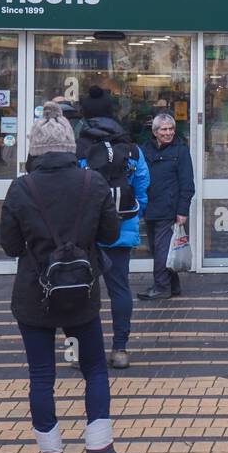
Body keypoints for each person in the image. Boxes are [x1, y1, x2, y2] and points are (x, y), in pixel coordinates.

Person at [0, 102, 142, 453]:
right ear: (69, 146)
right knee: (94, 368)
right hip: (81, 293)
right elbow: (110, 235)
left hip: (34, 294)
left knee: (41, 375)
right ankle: (99, 451)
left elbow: (10, 246)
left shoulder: (21, 187)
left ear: (34, 148)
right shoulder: (92, 182)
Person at [76, 86, 150, 369]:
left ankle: (85, 351)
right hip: (121, 228)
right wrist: (134, 214)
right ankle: (120, 349)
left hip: (85, 233)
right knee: (120, 289)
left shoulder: (80, 148)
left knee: (84, 290)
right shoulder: (131, 148)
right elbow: (143, 184)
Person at [141, 113, 195, 299]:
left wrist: (182, 211)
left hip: (169, 209)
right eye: (164, 129)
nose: (168, 132)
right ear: (155, 131)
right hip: (150, 207)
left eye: (171, 129)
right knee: (160, 249)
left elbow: (187, 184)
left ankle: (161, 288)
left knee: (163, 250)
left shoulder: (180, 151)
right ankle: (174, 286)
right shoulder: (145, 149)